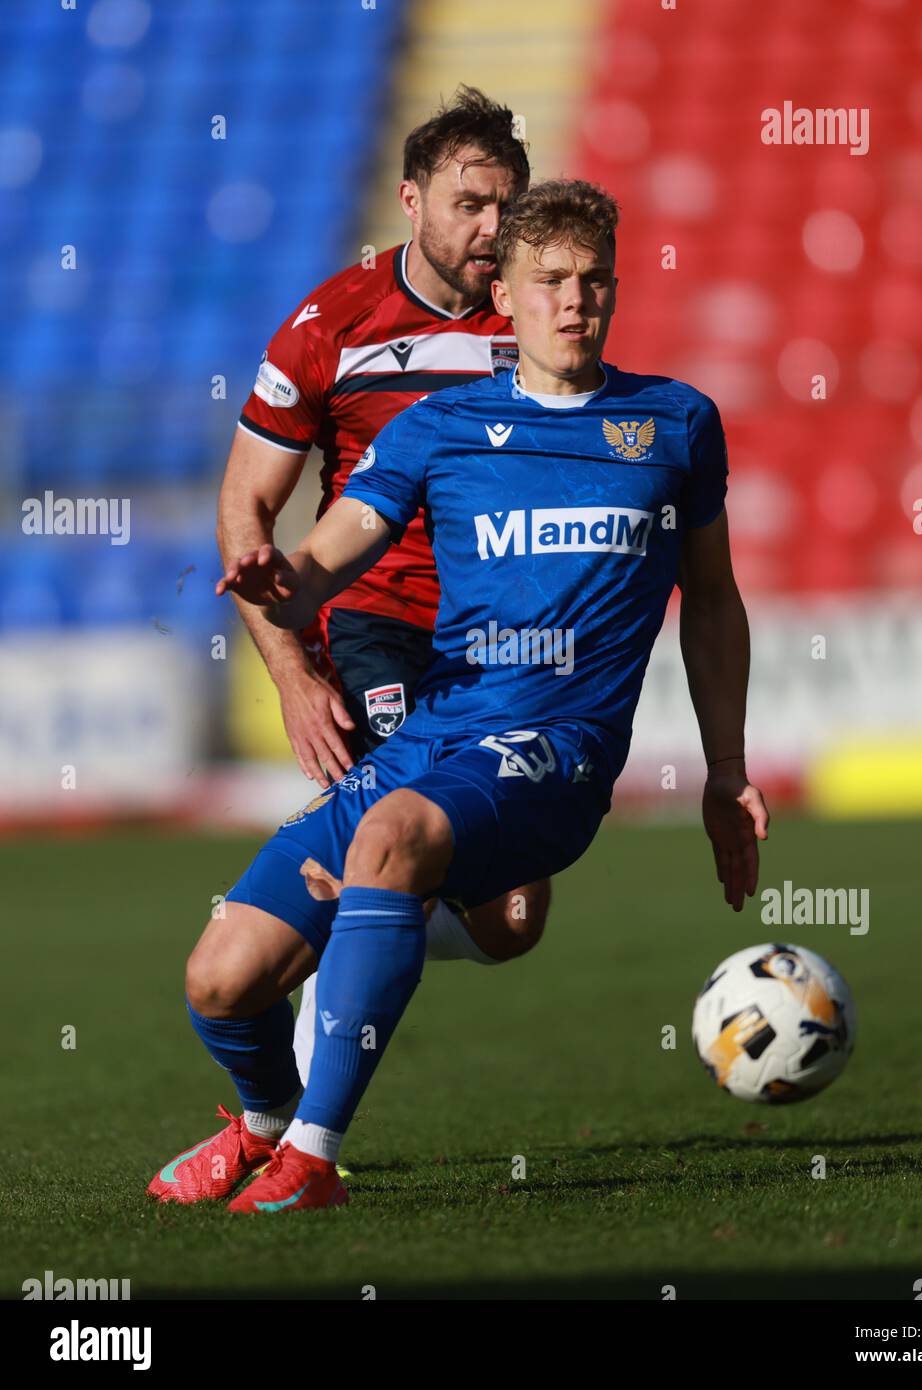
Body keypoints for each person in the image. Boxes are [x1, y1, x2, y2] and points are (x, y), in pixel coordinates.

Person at [149, 178, 768, 1213]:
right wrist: (276, 583)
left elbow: (711, 603)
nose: (574, 302)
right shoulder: (440, 428)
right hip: (436, 734)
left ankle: (313, 1157)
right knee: (220, 978)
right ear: (509, 299)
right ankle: (262, 1120)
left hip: (555, 756)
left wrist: (727, 769)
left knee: (394, 839)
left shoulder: (673, 424)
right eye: (550, 282)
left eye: (593, 281)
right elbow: (320, 563)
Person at [217, 87, 550, 1089]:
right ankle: (300, 1127)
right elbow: (244, 514)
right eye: (469, 203)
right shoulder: (332, 323)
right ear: (410, 200)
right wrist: (288, 672)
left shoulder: (535, 318)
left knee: (514, 920)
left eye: (506, 206)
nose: (492, 227)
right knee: (392, 825)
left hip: (499, 642)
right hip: (374, 624)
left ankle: (313, 908)